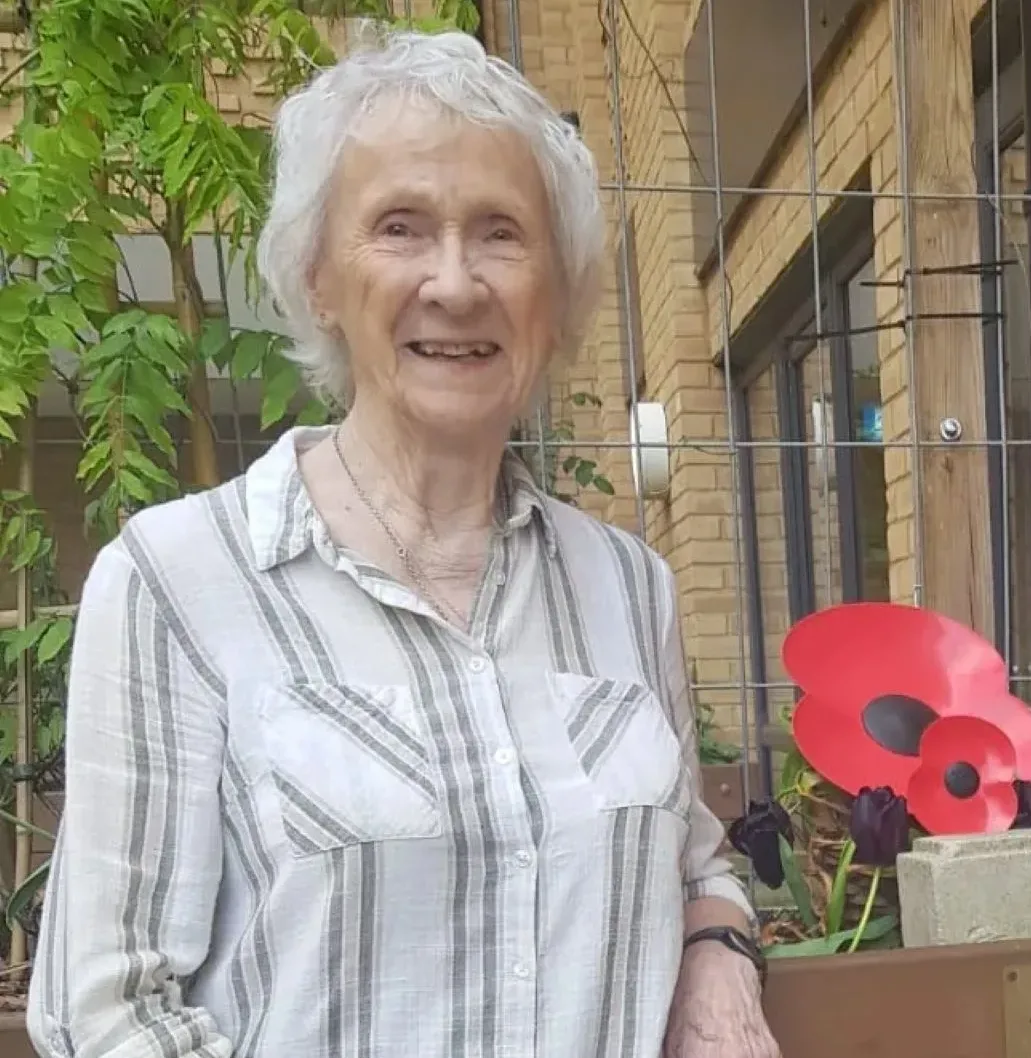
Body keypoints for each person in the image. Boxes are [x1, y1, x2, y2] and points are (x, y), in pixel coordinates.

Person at [27, 30, 779, 1058]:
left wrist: (721, 955)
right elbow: (108, 1013)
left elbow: (695, 863)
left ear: (554, 297)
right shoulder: (177, 584)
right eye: (400, 227)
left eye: (502, 233)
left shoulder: (627, 585)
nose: (457, 282)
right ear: (319, 277)